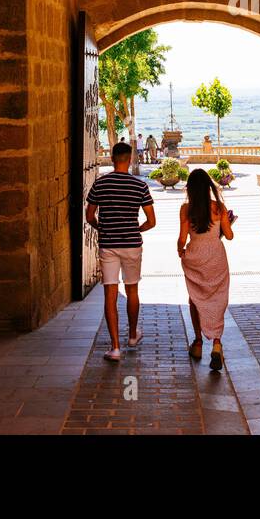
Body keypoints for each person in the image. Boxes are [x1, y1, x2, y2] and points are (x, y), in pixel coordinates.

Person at [86, 142, 156, 362]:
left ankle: (115, 347)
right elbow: (151, 221)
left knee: (110, 293)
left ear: (113, 158)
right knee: (132, 289)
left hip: (109, 244)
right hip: (132, 244)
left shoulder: (100, 184)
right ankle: (133, 335)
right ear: (130, 158)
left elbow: (89, 216)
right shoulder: (140, 186)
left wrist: (103, 227)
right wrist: (136, 228)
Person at [177, 168, 234, 372]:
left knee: (195, 299)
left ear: (190, 188)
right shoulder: (219, 207)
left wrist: (180, 251)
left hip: (195, 256)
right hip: (216, 257)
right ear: (209, 186)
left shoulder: (186, 209)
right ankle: (217, 343)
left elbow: (183, 238)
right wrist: (227, 222)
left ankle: (199, 342)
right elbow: (229, 236)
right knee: (217, 299)